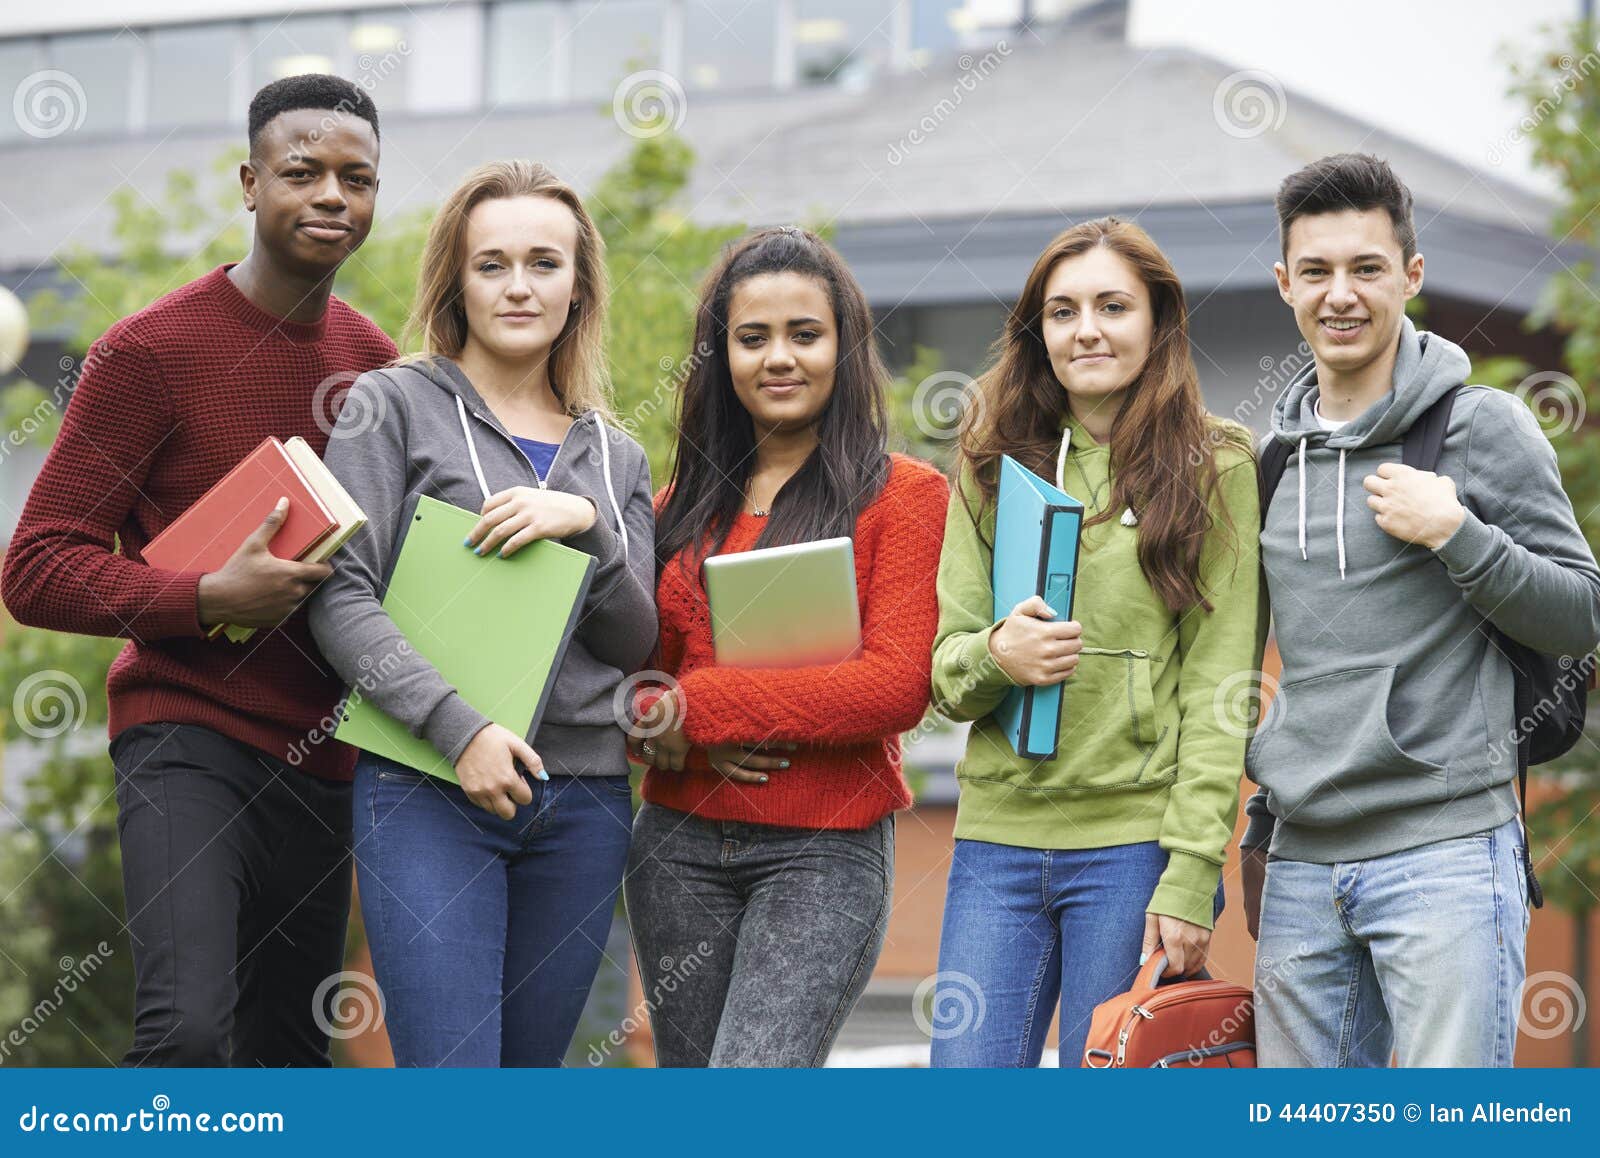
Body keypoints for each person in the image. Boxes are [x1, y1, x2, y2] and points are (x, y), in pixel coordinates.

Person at [1, 75, 396, 1066]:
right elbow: (38, 565)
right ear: (250, 183)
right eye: (302, 173)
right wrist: (206, 598)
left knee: (292, 1059)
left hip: (328, 757)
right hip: (186, 736)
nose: (331, 197)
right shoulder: (148, 352)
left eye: (357, 178)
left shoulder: (378, 363)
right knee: (187, 1033)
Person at [1240, 153, 1600, 1067]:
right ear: (1285, 285)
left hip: (1446, 854)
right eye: (1316, 272)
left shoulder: (1482, 426)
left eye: (1367, 268)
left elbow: (1581, 616)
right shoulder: (1267, 466)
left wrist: (1459, 535)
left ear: (1412, 275)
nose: (1341, 294)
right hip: (1298, 868)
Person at [307, 160, 655, 1067]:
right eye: (491, 264)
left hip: (584, 802)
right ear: (456, 280)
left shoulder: (616, 457)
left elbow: (634, 640)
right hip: (426, 786)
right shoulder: (393, 405)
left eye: (545, 263)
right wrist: (460, 732)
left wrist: (588, 530)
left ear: (578, 287)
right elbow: (339, 600)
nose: (518, 286)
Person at [927, 217, 1262, 1068]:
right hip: (994, 842)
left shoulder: (1216, 463)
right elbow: (947, 675)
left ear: (1157, 320)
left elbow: (1219, 686)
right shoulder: (991, 458)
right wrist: (995, 657)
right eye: (1063, 310)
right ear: (1037, 331)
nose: (1088, 330)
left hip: (1131, 848)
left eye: (1113, 306)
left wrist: (1193, 869)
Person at [622, 225, 949, 1067]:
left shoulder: (905, 496)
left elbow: (891, 687)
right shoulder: (672, 507)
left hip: (823, 852)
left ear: (844, 345)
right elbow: (631, 684)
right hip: (678, 847)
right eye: (752, 337)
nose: (780, 358)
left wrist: (702, 710)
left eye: (805, 334)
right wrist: (670, 724)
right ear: (719, 355)